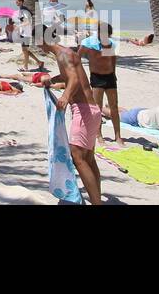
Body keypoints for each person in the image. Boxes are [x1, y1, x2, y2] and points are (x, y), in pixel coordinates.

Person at [41, 35, 102, 205]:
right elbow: (69, 76)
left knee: (78, 157)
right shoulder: (65, 53)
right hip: (91, 110)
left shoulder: (63, 55)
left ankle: (97, 203)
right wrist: (51, 81)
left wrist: (66, 96)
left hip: (83, 111)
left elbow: (74, 80)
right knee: (89, 159)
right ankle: (97, 198)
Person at [81, 24, 121, 146]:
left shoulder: (111, 44)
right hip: (96, 77)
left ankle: (118, 136)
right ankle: (99, 135)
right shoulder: (89, 43)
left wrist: (114, 73)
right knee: (97, 108)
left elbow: (112, 59)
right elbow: (77, 57)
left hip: (109, 77)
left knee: (114, 106)